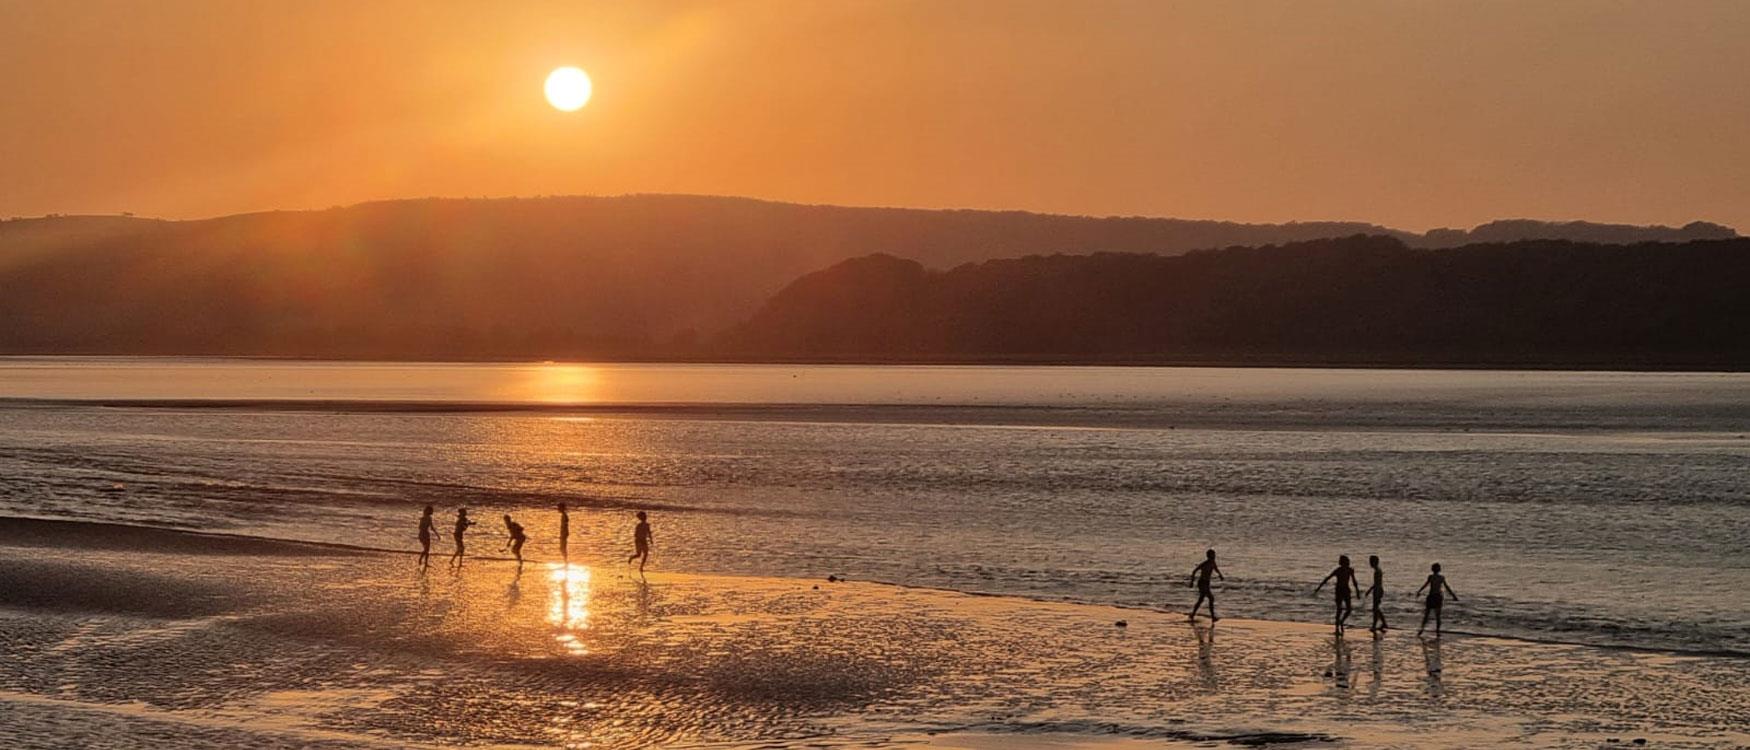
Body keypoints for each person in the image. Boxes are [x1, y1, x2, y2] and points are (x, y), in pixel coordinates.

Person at [1314, 554, 1362, 635]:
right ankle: (1337, 627)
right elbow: (1327, 578)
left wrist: (1357, 591)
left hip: (1346, 590)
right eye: (1346, 561)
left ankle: (1341, 622)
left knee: (1349, 609)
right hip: (1339, 590)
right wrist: (1319, 587)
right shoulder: (1338, 570)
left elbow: (1354, 581)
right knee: (1339, 609)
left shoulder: (1350, 570)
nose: (1348, 563)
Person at [1416, 562, 1459, 636]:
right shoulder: (1441, 577)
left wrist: (1419, 591)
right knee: (1437, 615)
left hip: (1432, 596)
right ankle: (1437, 631)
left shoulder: (1431, 577)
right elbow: (1447, 587)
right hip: (1437, 597)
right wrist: (1453, 595)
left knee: (1427, 615)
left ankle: (1422, 630)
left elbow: (1425, 585)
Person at [1187, 549, 1224, 622]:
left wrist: (1220, 575)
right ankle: (1213, 617)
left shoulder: (1213, 562)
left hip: (1207, 583)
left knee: (1201, 600)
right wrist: (1192, 582)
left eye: (1214, 554)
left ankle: (1192, 614)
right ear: (1209, 556)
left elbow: (1216, 569)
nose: (1214, 556)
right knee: (1211, 598)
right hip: (1202, 583)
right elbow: (1194, 571)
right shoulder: (1205, 563)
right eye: (1213, 554)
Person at [1363, 555, 1388, 633]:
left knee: (1375, 609)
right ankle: (1383, 623)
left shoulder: (1377, 571)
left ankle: (1375, 625)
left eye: (1371, 561)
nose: (1370, 563)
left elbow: (1376, 583)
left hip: (1377, 590)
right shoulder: (1377, 570)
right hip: (1378, 589)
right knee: (1376, 608)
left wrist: (1370, 590)